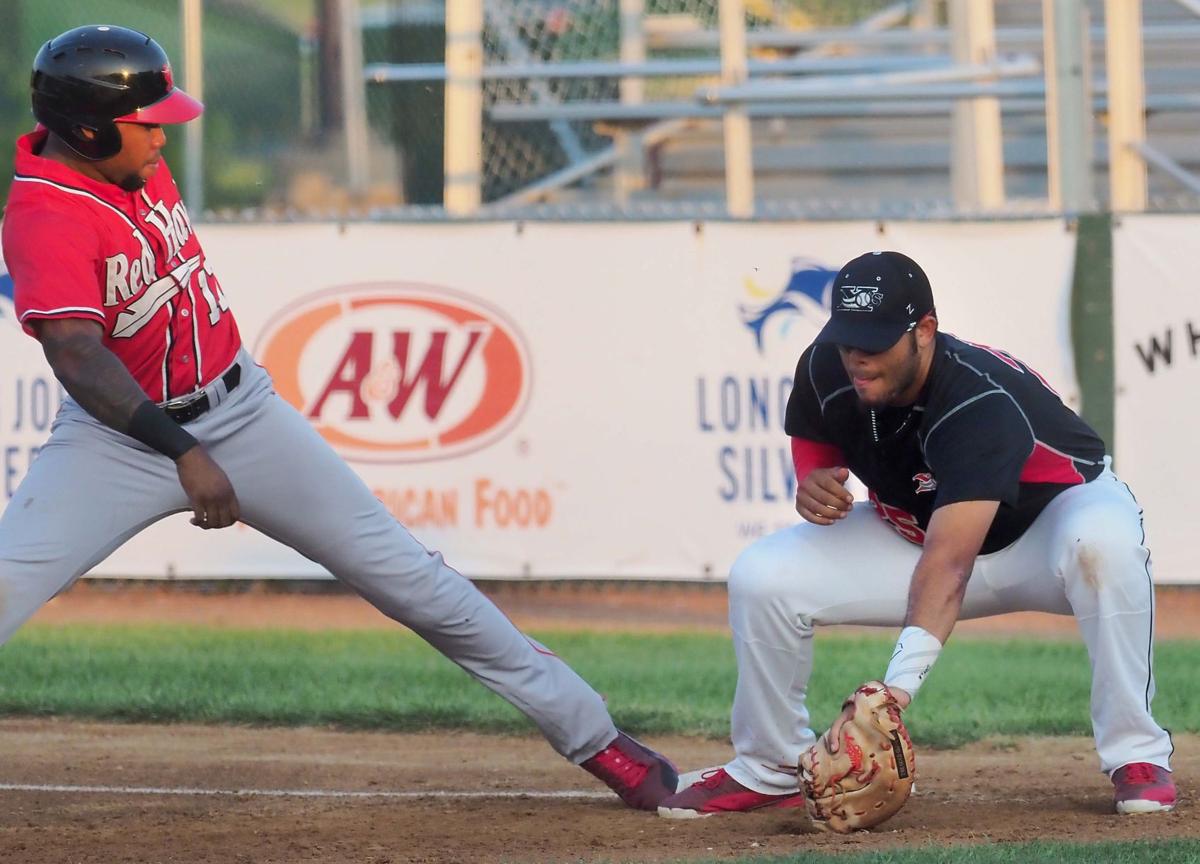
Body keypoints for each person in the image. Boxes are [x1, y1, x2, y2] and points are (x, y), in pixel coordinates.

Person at [0, 24, 677, 811]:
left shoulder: (126, 164)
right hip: (118, 440)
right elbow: (80, 357)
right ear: (86, 128)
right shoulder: (44, 213)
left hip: (242, 411)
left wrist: (204, 440)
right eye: (147, 120)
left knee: (412, 578)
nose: (163, 135)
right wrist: (182, 451)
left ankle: (604, 744)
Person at [657, 250, 1175, 818]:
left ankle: (1136, 755)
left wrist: (893, 694)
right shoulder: (828, 366)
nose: (857, 357)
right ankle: (768, 766)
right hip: (919, 533)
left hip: (1048, 531)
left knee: (1103, 548)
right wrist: (812, 477)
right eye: (848, 338)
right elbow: (815, 431)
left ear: (924, 330)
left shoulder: (978, 400)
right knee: (762, 579)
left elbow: (950, 565)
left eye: (875, 342)